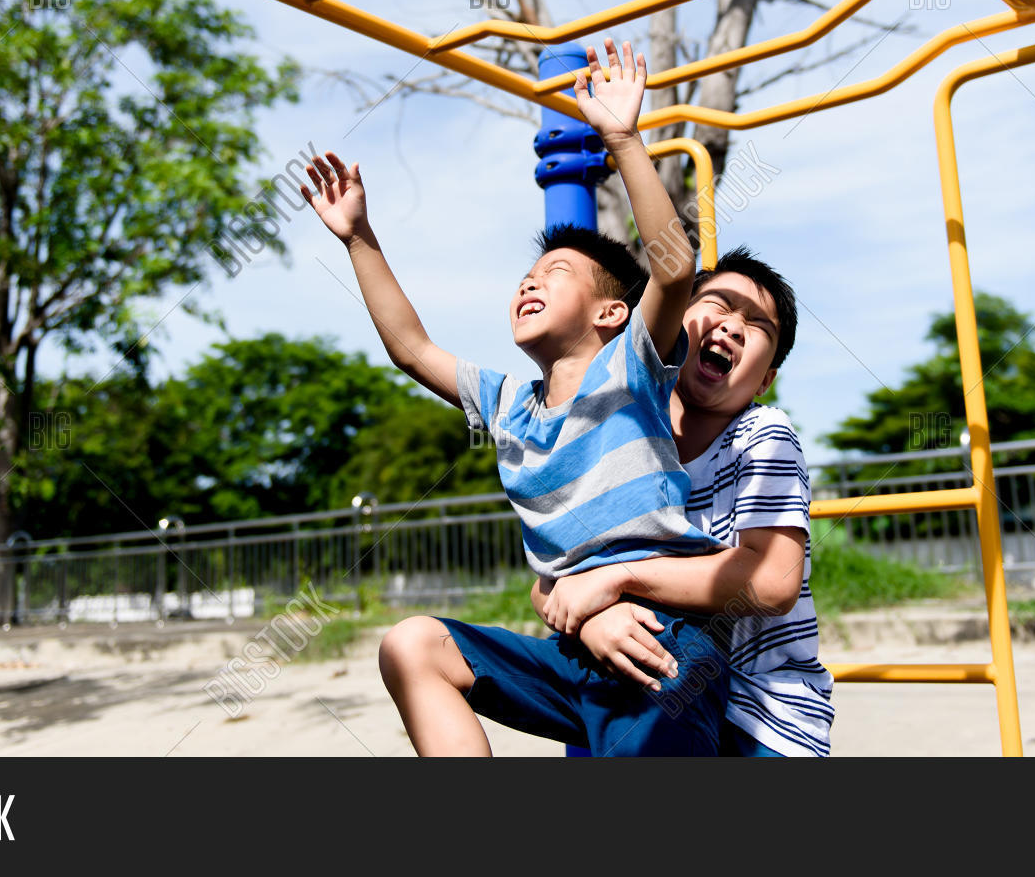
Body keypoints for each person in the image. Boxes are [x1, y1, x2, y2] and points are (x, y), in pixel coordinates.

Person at [302, 37, 732, 756]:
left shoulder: (632, 365)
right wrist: (359, 237)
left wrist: (622, 135)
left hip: (664, 640)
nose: (529, 282)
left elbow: (674, 263)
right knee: (413, 645)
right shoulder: (509, 406)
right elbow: (411, 349)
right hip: (575, 647)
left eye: (555, 271)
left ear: (609, 313)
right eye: (525, 275)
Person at [538, 249, 835, 756]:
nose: (733, 327)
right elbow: (552, 583)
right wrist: (591, 619)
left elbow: (774, 581)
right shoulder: (623, 436)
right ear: (676, 324)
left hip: (757, 715)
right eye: (719, 303)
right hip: (639, 681)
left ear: (765, 380)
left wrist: (620, 576)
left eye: (757, 325)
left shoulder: (762, 436)